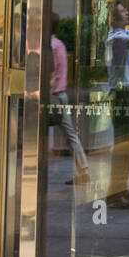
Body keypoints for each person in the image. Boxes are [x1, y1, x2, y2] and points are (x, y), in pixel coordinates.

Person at [105, 2, 129, 209]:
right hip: (122, 95)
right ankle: (113, 193)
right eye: (123, 11)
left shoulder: (123, 34)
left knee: (126, 147)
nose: (127, 12)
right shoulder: (117, 38)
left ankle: (120, 189)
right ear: (113, 19)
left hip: (127, 95)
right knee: (122, 147)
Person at [50, 16, 91, 187]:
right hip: (60, 95)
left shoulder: (51, 46)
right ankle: (83, 170)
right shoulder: (59, 44)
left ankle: (84, 170)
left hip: (53, 96)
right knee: (70, 134)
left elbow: (51, 75)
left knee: (68, 134)